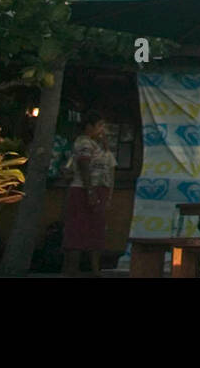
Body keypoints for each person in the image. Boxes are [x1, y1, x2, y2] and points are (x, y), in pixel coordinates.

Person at [62, 111, 115, 276]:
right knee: (78, 229)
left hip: (101, 188)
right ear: (89, 127)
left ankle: (95, 269)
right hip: (83, 189)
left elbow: (110, 166)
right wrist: (90, 191)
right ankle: (71, 269)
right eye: (99, 126)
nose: (102, 130)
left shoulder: (99, 146)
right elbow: (84, 166)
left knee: (96, 230)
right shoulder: (83, 142)